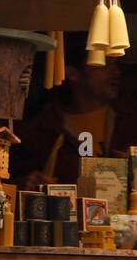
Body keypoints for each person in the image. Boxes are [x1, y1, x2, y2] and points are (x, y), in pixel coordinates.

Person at [14, 32, 137, 188]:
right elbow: (12, 183)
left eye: (116, 63)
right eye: (104, 63)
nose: (116, 71)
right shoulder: (41, 131)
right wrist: (28, 183)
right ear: (72, 73)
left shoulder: (131, 123)